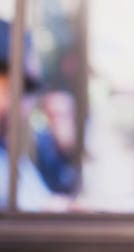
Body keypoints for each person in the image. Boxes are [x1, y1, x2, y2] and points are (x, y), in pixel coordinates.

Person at [0, 19, 78, 210]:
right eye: (16, 88)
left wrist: (64, 151)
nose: (25, 104)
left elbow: (43, 203)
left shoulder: (14, 151)